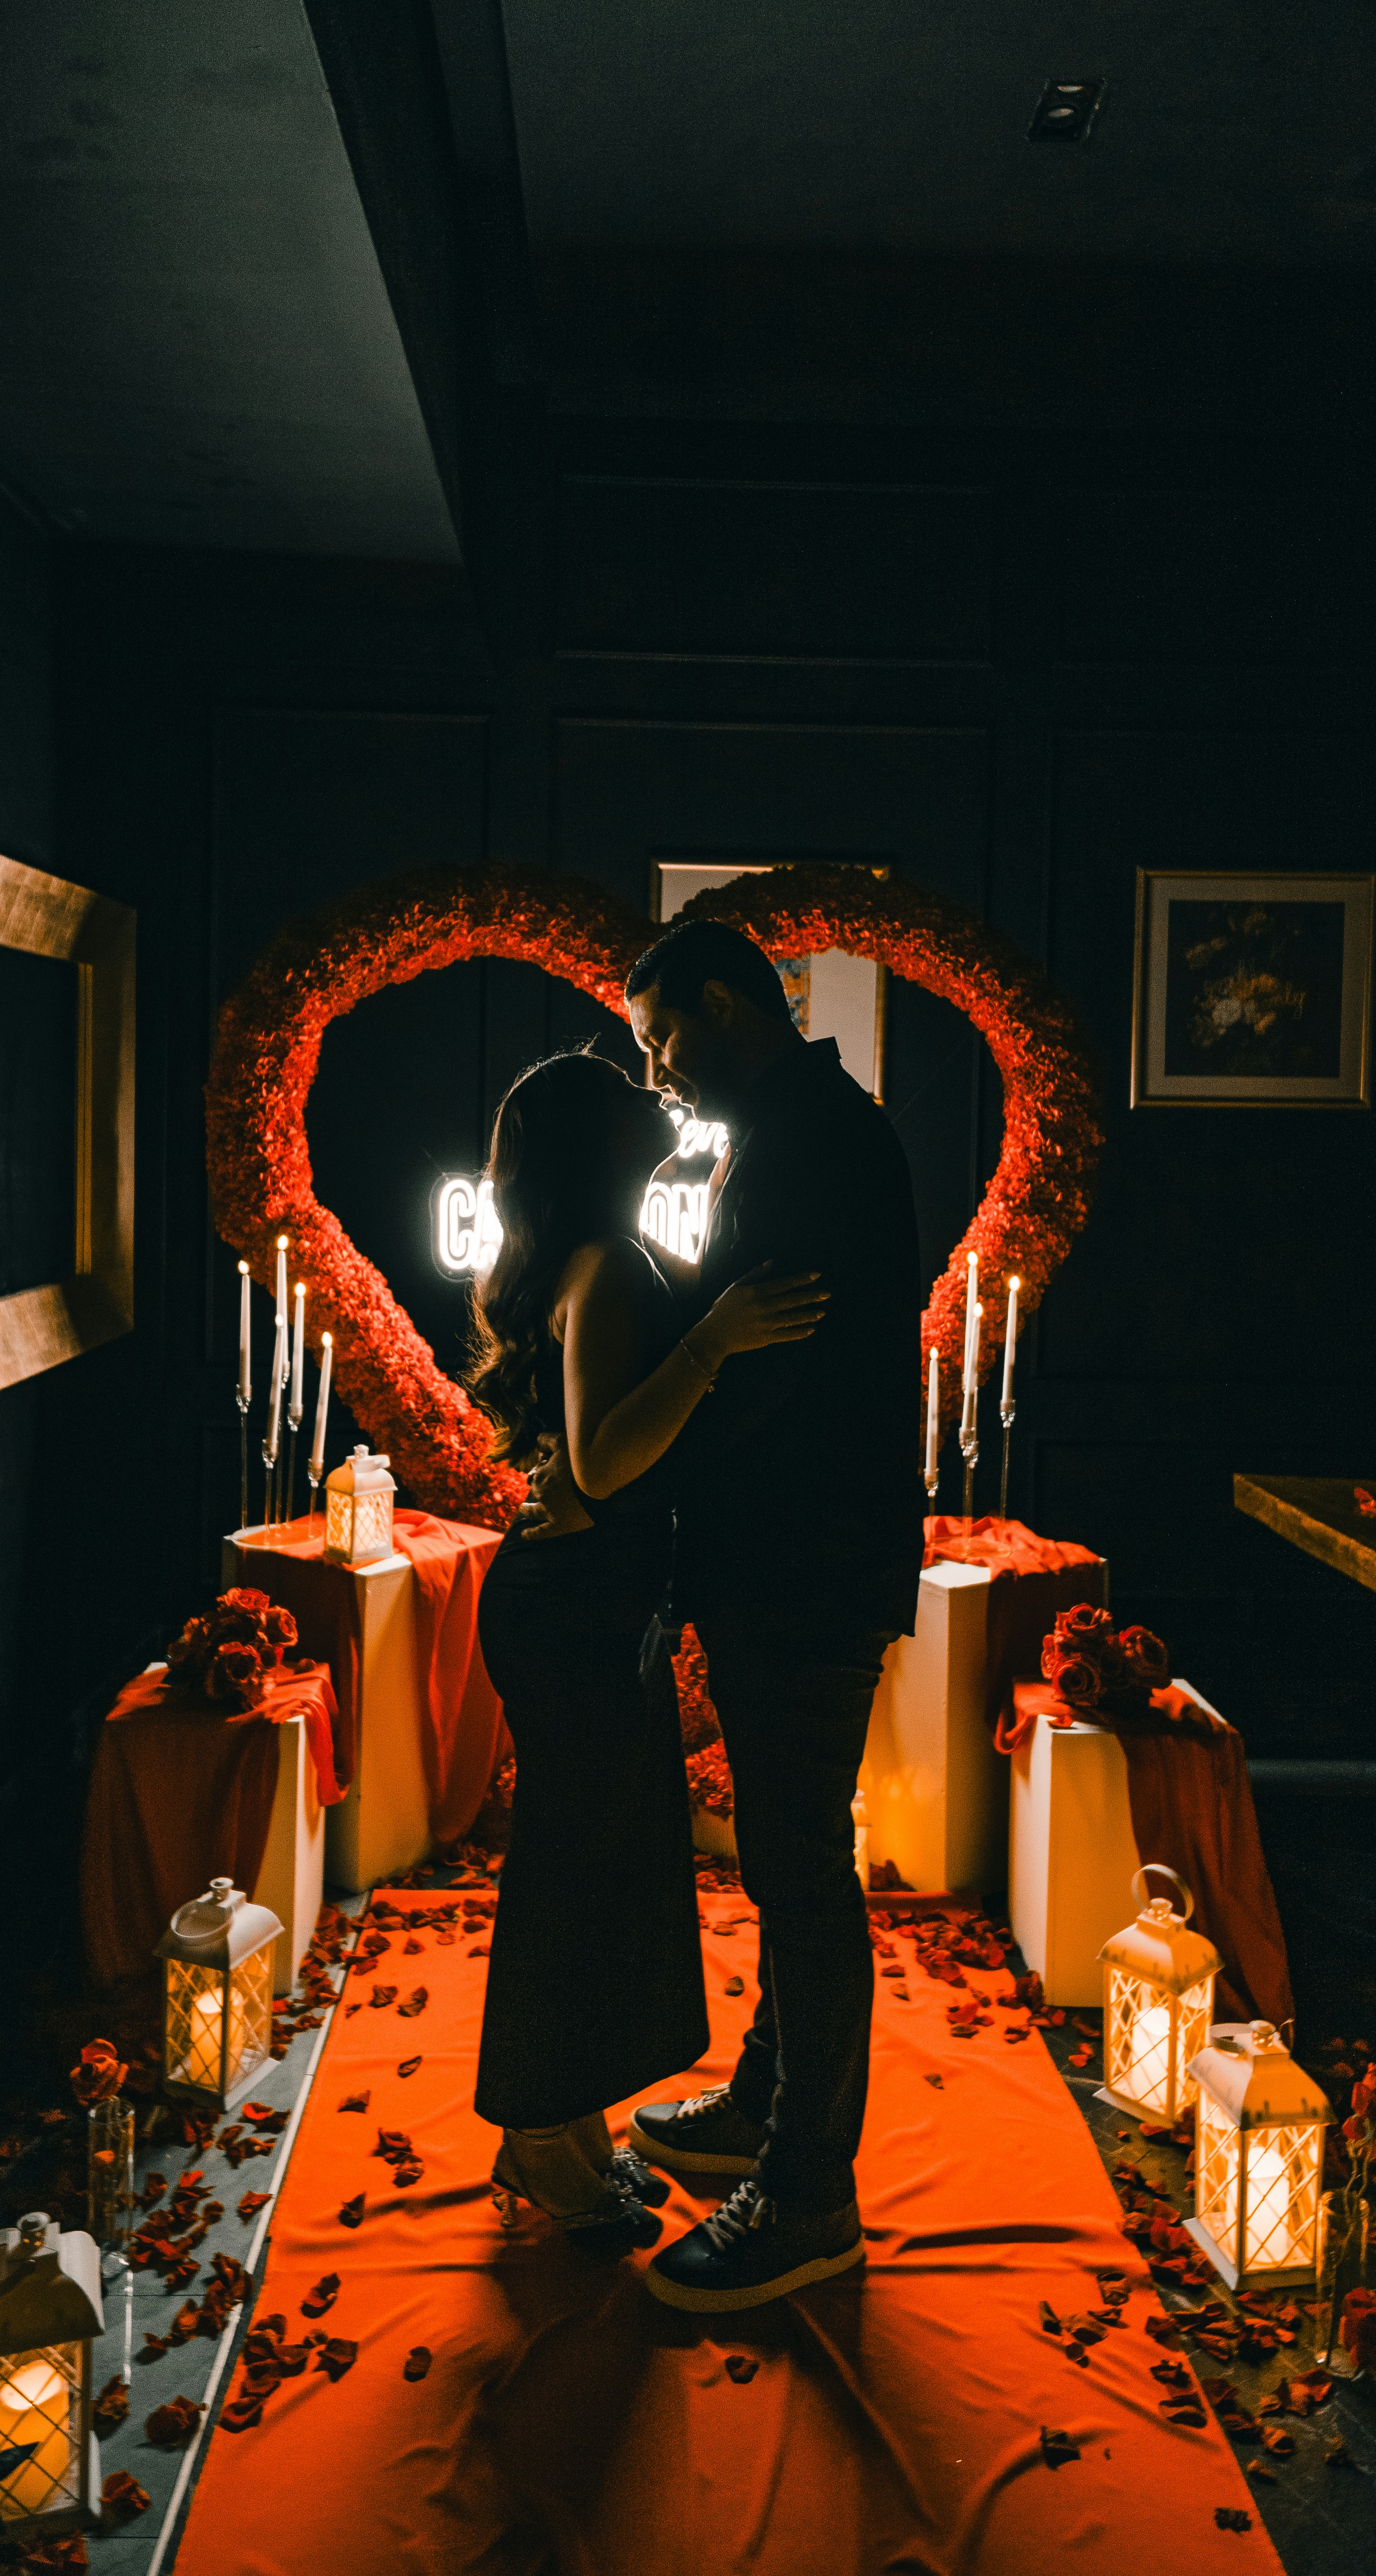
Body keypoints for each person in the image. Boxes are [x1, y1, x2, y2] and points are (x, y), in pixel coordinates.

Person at [467, 1045, 830, 2255]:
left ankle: (556, 2137)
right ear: (592, 1140)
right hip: (571, 1614)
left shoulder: (593, 1257)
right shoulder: (610, 1266)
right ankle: (544, 2150)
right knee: (580, 1878)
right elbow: (604, 1463)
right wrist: (714, 1340)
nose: (653, 1093)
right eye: (627, 1093)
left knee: (588, 1870)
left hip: (566, 1603)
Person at [619, 917, 925, 2310]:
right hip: (798, 1559)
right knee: (787, 1863)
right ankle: (763, 2100)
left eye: (663, 1037)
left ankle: (810, 2194)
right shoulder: (810, 1129)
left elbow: (780, 1378)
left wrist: (668, 1360)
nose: (661, 1071)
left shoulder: (818, 1145)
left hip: (804, 1564)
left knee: (802, 1874)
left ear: (731, 1006)